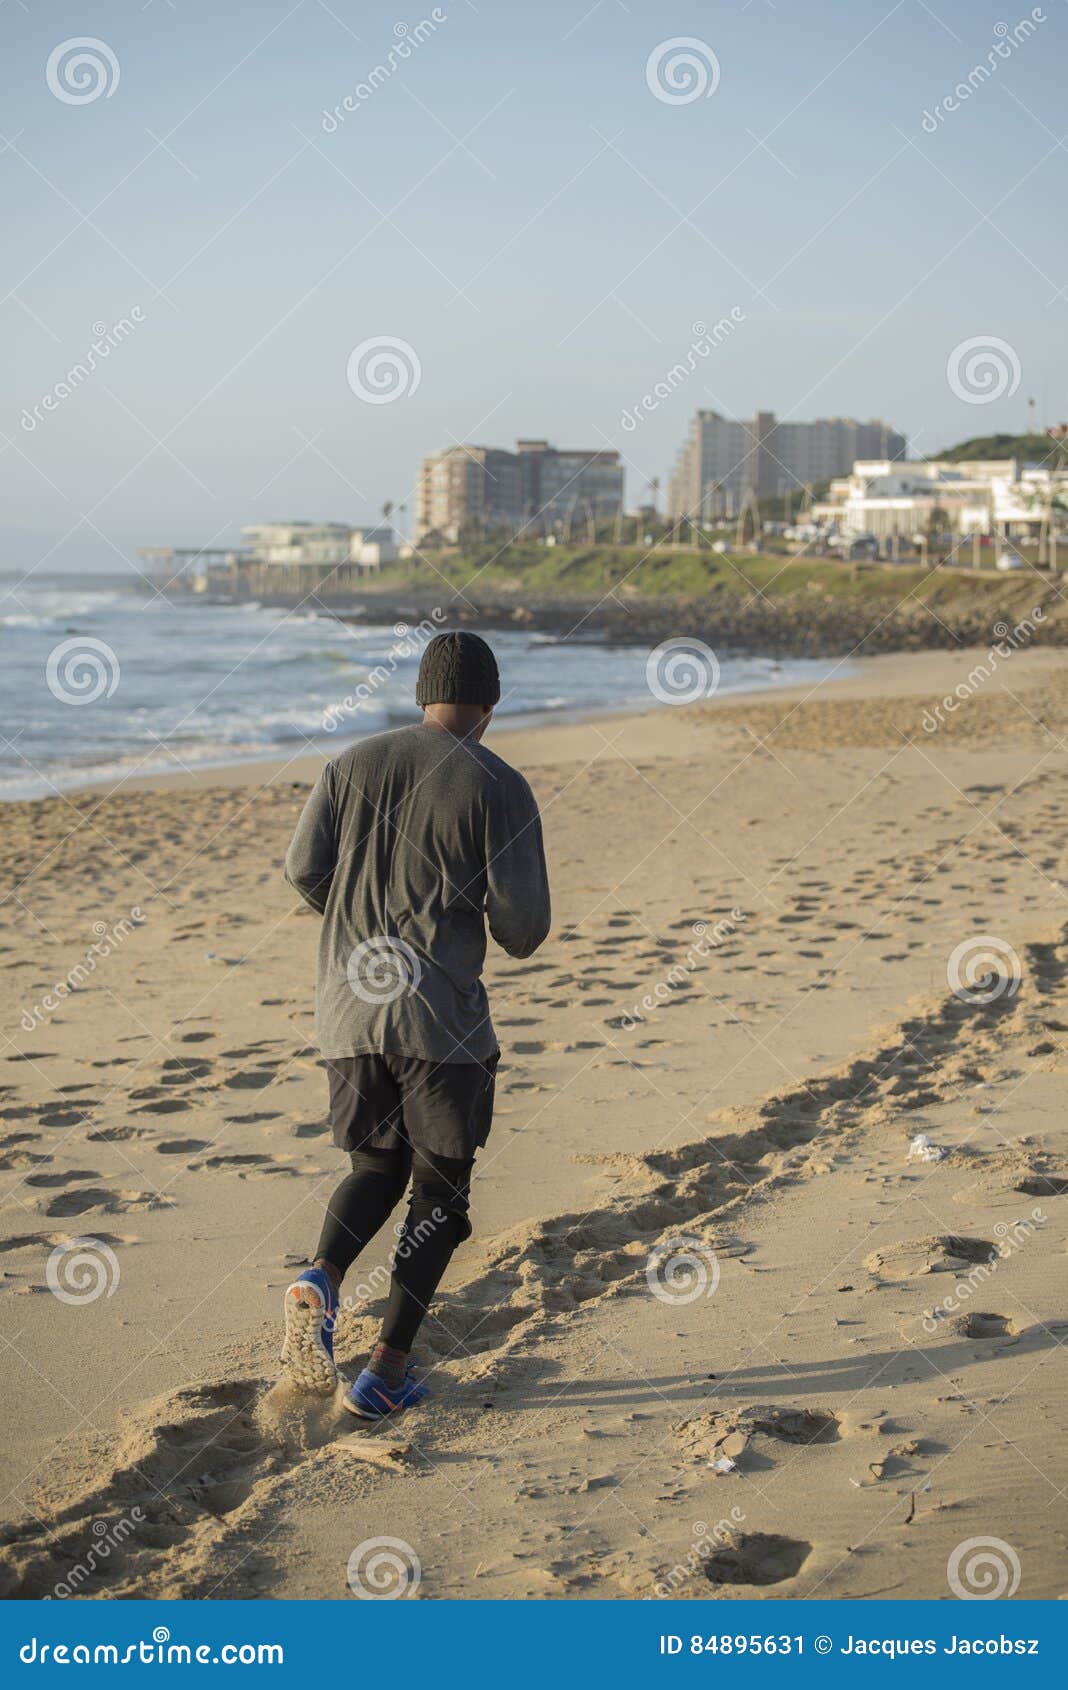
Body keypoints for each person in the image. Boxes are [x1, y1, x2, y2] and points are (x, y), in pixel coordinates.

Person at [281, 631, 551, 1419]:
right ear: (491, 704)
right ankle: (386, 1373)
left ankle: (321, 1276)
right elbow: (524, 928)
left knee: (374, 1169)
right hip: (442, 1025)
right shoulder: (498, 785)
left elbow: (304, 869)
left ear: (420, 695)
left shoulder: (350, 764)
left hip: (348, 1012)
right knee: (441, 1196)